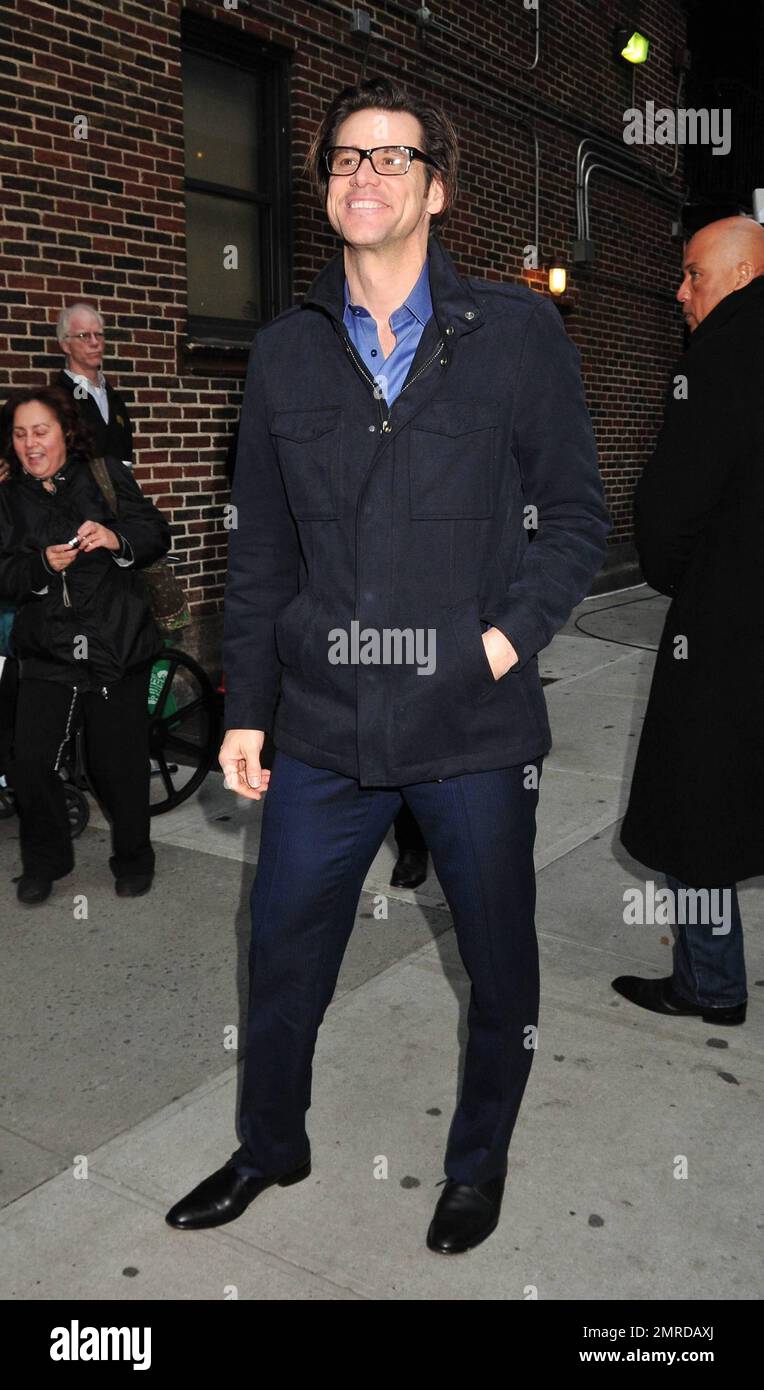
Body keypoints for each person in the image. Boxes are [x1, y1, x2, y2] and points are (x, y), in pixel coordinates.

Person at [166, 77, 611, 1254]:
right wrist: (243, 709)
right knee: (281, 954)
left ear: (436, 187)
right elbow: (260, 547)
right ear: (324, 192)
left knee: (498, 964)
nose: (361, 175)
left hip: (470, 729)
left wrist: (501, 641)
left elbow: (573, 516)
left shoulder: (514, 334)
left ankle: (475, 1164)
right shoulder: (283, 354)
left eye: (390, 158)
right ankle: (272, 1144)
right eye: (342, 160)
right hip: (318, 723)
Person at [616, 215, 764, 1025]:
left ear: (741, 275)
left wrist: (686, 582)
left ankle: (710, 983)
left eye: (694, 275)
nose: (680, 292)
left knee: (698, 801)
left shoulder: (719, 361)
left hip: (727, 630)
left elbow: (667, 509)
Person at [0, 385, 171, 904]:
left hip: (118, 646)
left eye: (41, 431)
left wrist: (117, 540)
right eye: (20, 434)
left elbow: (155, 532)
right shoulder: (7, 496)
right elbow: (4, 574)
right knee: (29, 764)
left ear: (65, 433)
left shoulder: (105, 474)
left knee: (116, 767)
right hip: (49, 652)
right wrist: (39, 568)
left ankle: (134, 859)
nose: (31, 444)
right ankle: (47, 860)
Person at [55, 303, 134, 463]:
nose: (94, 342)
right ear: (65, 345)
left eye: (98, 334)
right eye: (84, 336)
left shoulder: (114, 399)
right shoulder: (56, 399)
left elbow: (126, 457)